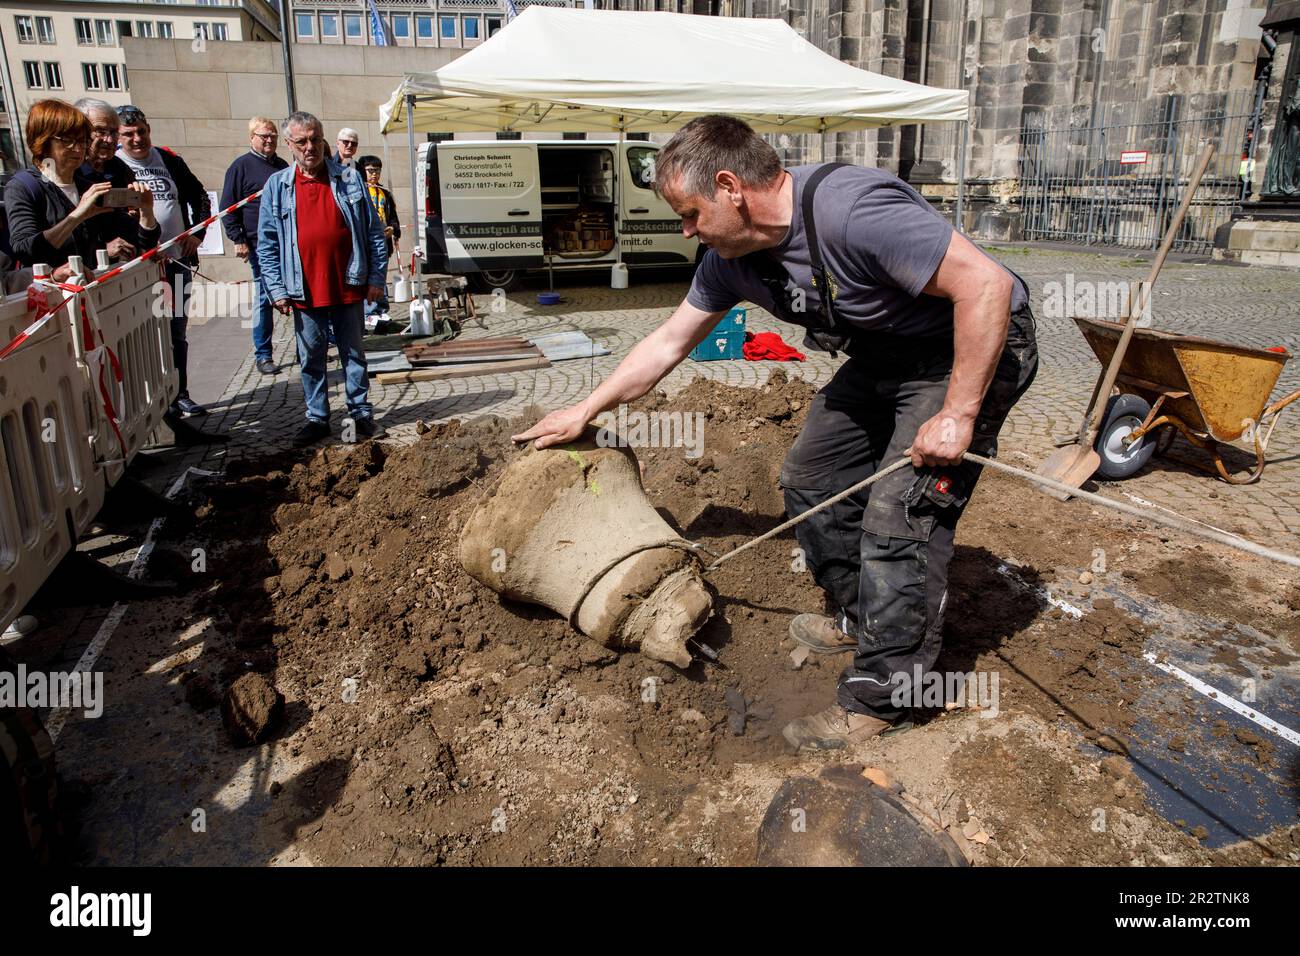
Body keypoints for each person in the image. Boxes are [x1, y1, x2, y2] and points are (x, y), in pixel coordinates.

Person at [513, 115, 1039, 751]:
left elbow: (987, 284)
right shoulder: (728, 261)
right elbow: (668, 343)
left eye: (690, 213)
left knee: (900, 515)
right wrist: (586, 409)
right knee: (811, 478)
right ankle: (861, 617)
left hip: (968, 350)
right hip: (887, 357)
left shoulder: (852, 212)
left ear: (732, 187)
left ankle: (886, 697)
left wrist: (956, 412)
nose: (686, 231)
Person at [257, 111, 387, 446]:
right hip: (304, 288)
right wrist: (276, 290)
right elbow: (267, 243)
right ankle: (317, 418)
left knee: (354, 354)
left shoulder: (349, 178)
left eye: (315, 139)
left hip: (349, 282)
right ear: (289, 145)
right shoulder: (277, 187)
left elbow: (374, 232)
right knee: (311, 358)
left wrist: (376, 276)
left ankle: (360, 414)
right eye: (301, 142)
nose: (310, 147)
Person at [116, 105, 212, 418]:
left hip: (176, 263)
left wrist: (197, 233)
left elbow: (200, 196)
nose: (137, 139)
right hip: (140, 269)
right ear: (119, 136)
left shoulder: (168, 160)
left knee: (176, 330)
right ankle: (151, 401)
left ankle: (179, 393)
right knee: (147, 335)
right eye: (128, 134)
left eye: (141, 131)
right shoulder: (116, 167)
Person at [4, 99, 156, 281]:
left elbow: (141, 241)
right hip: (53, 300)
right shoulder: (23, 186)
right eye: (68, 140)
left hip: (95, 295)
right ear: (43, 140)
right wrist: (77, 216)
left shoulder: (89, 185)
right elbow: (26, 250)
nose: (78, 148)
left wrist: (147, 211)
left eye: (82, 140)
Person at [221, 116, 289, 375]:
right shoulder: (240, 167)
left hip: (286, 241)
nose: (269, 140)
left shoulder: (282, 166)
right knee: (265, 296)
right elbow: (228, 206)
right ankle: (263, 354)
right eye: (263, 136)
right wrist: (238, 238)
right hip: (259, 243)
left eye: (272, 135)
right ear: (252, 138)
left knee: (293, 291)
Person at [72, 97, 161, 263]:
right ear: (79, 131)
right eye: (100, 131)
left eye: (114, 132)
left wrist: (145, 216)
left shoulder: (120, 169)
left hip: (131, 269)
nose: (110, 140)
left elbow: (142, 230)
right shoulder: (70, 174)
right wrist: (101, 250)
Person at [357, 154, 400, 322]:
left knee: (381, 275)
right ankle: (370, 311)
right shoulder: (360, 191)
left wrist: (393, 229)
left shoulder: (385, 193)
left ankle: (382, 308)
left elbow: (393, 217)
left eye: (378, 171)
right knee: (369, 277)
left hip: (383, 242)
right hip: (366, 243)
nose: (374, 174)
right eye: (370, 170)